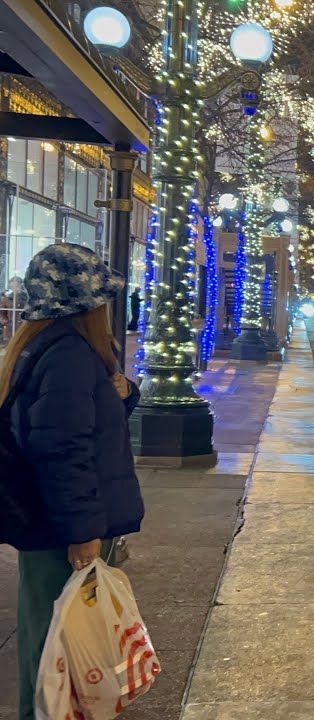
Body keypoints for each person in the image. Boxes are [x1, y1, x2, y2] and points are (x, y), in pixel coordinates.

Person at [0, 243, 143, 720]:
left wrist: (119, 397)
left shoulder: (44, 346)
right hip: (63, 528)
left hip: (49, 521)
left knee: (53, 639)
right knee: (56, 650)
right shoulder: (69, 355)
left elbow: (71, 428)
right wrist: (83, 530)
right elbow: (63, 449)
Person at [1, 275, 27, 343]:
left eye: (17, 286)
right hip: (10, 329)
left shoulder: (27, 298)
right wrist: (5, 321)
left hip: (23, 328)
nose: (15, 288)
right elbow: (1, 313)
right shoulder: (7, 299)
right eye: (12, 287)